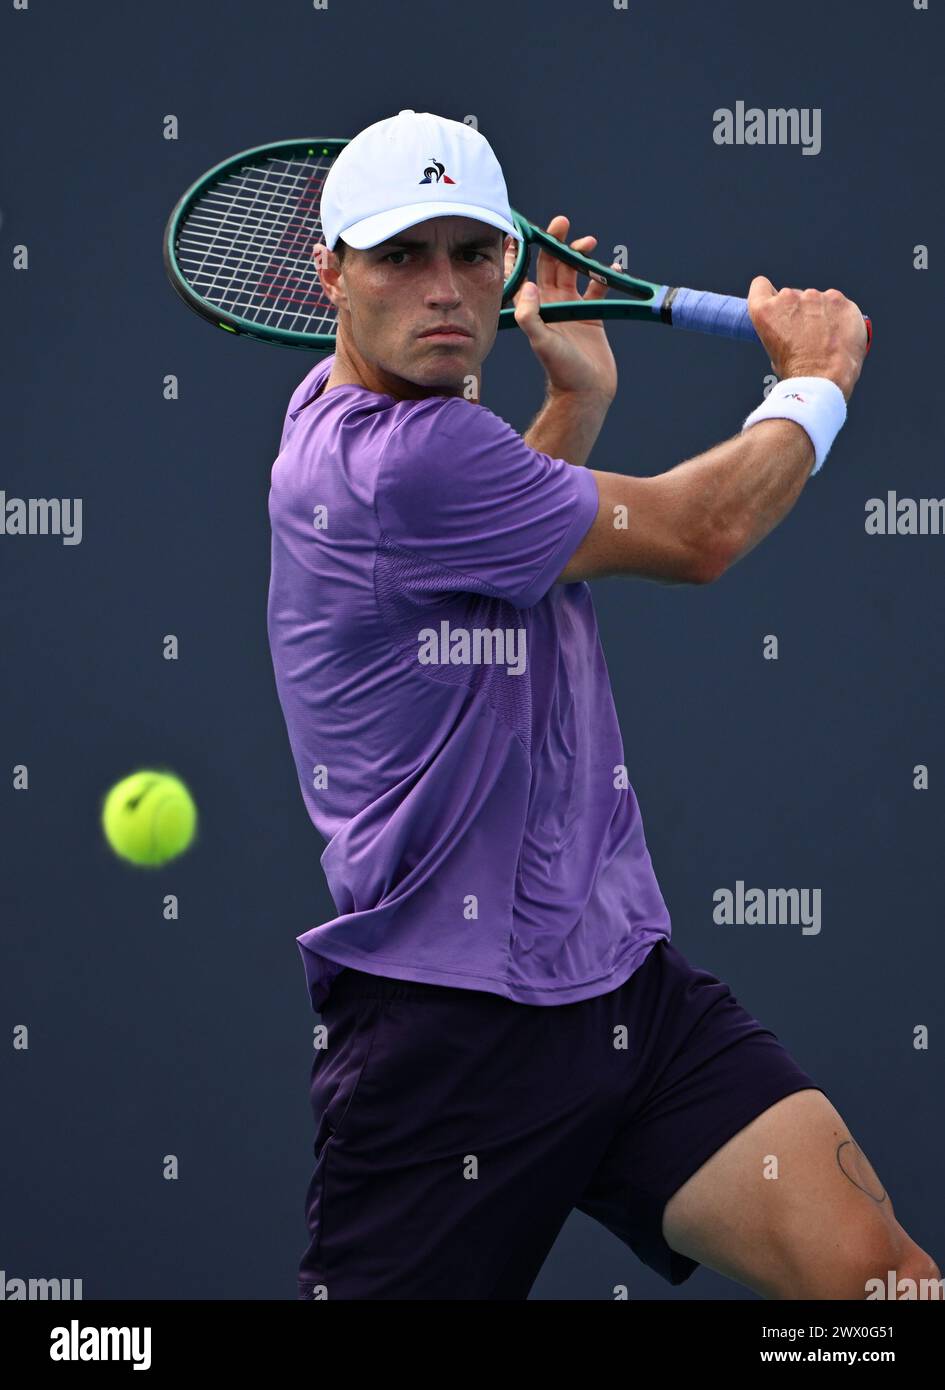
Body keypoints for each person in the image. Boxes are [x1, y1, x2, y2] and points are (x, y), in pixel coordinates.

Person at [266, 109, 938, 1300]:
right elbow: (700, 532)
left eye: (473, 253)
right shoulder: (398, 461)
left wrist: (572, 406)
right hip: (448, 1037)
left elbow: (494, 567)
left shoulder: (409, 434)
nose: (444, 288)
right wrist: (819, 383)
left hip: (621, 989)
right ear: (330, 271)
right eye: (400, 254)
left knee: (878, 1282)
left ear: (509, 266)